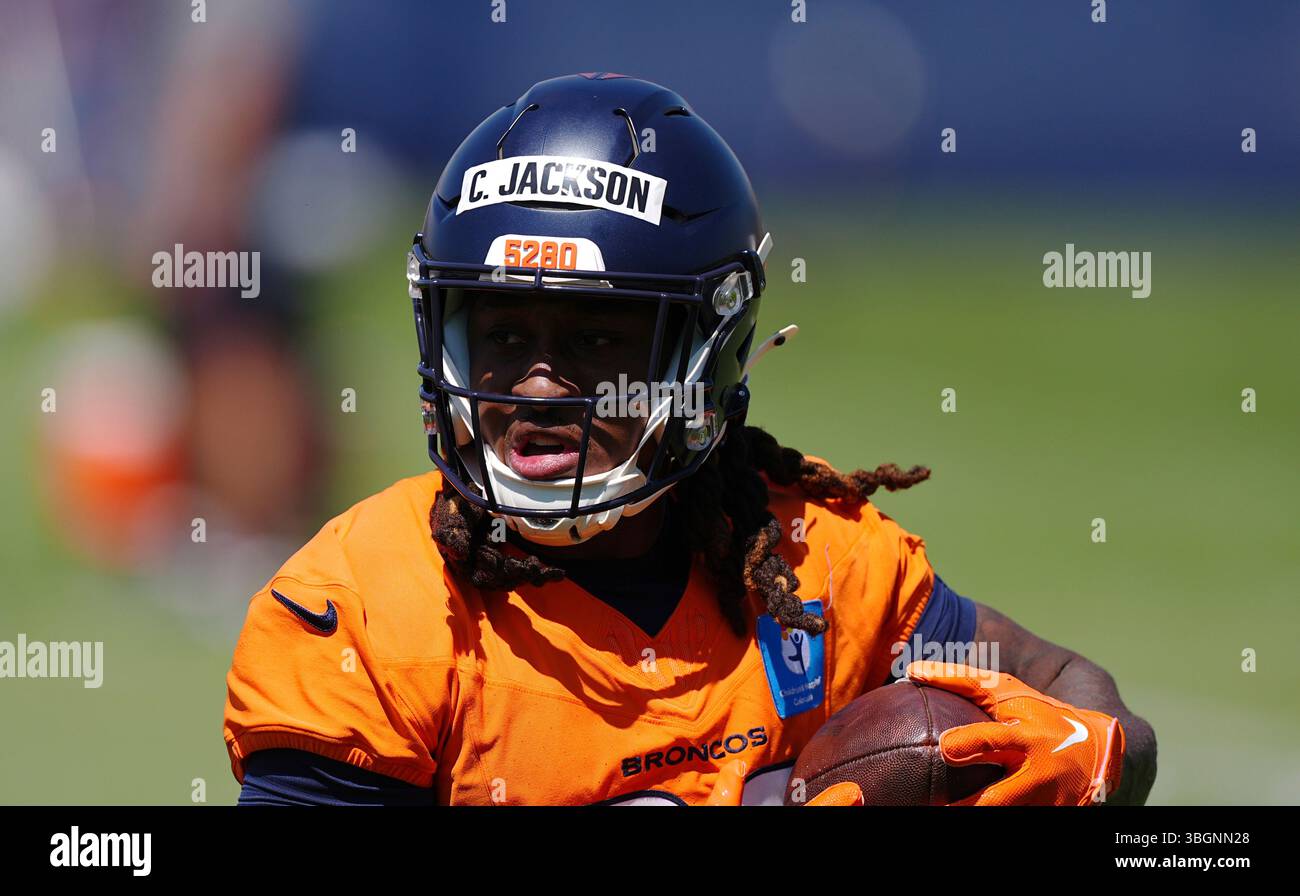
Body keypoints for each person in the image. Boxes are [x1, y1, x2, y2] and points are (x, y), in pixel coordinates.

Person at [223, 73, 1155, 806]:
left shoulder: (815, 564)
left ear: (708, 353)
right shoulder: (359, 613)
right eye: (503, 335)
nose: (540, 385)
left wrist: (1086, 756)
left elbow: (1077, 693)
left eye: (595, 338)